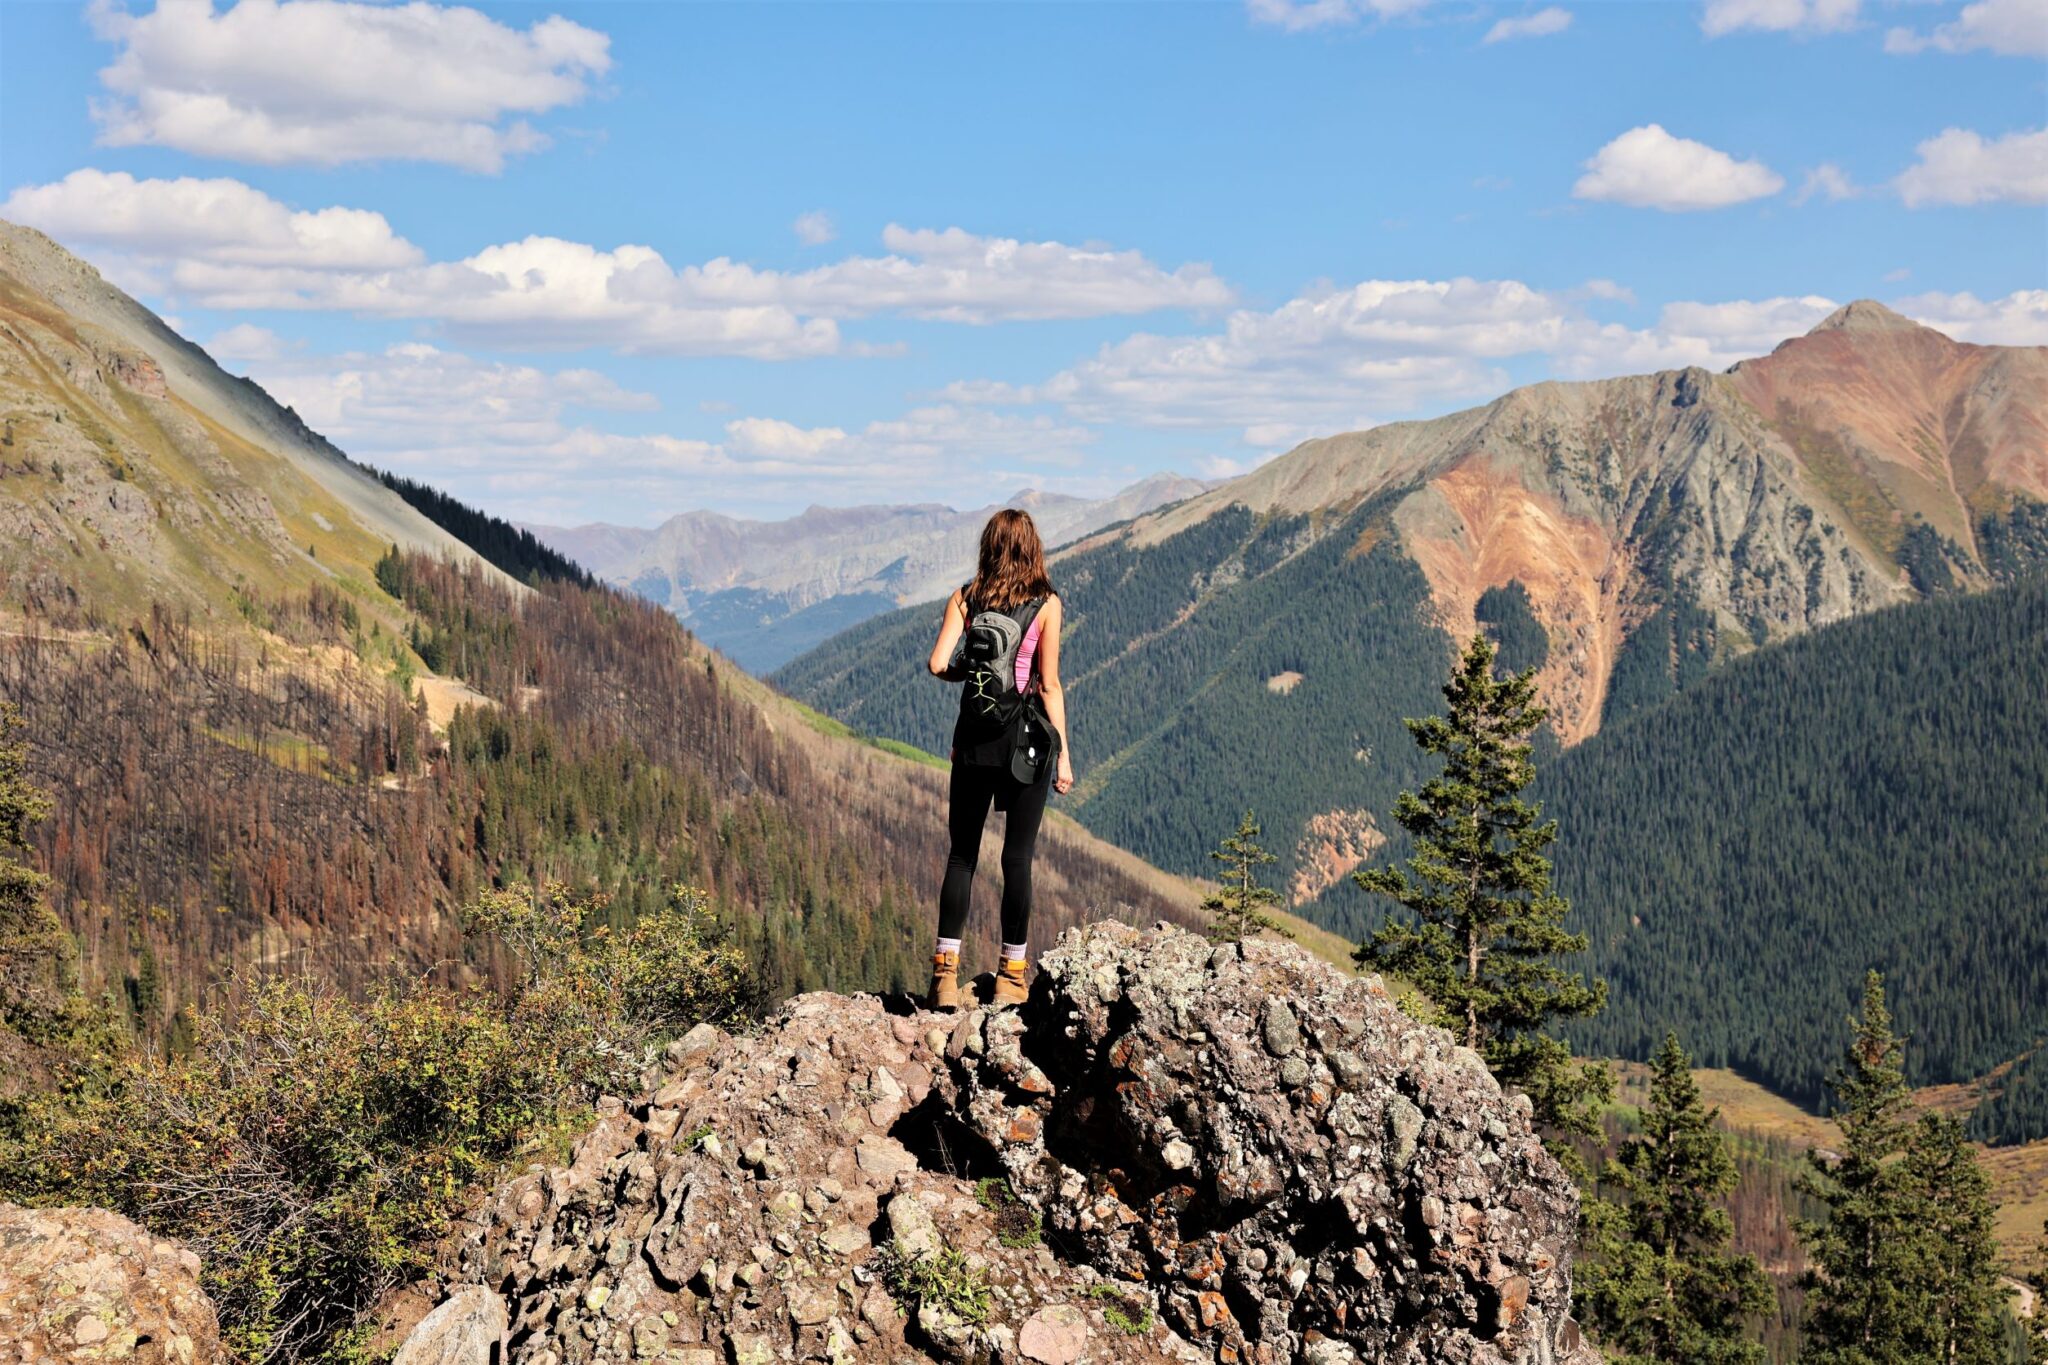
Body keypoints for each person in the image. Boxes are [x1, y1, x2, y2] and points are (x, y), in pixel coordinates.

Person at [924, 508, 1074, 1010]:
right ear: (1032, 547)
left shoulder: (965, 598)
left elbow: (938, 663)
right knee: (1017, 857)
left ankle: (945, 977)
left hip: (971, 743)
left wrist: (970, 675)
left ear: (988, 546)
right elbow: (1048, 684)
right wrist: (1066, 757)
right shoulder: (1046, 603)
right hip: (1025, 746)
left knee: (962, 855)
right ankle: (1011, 976)